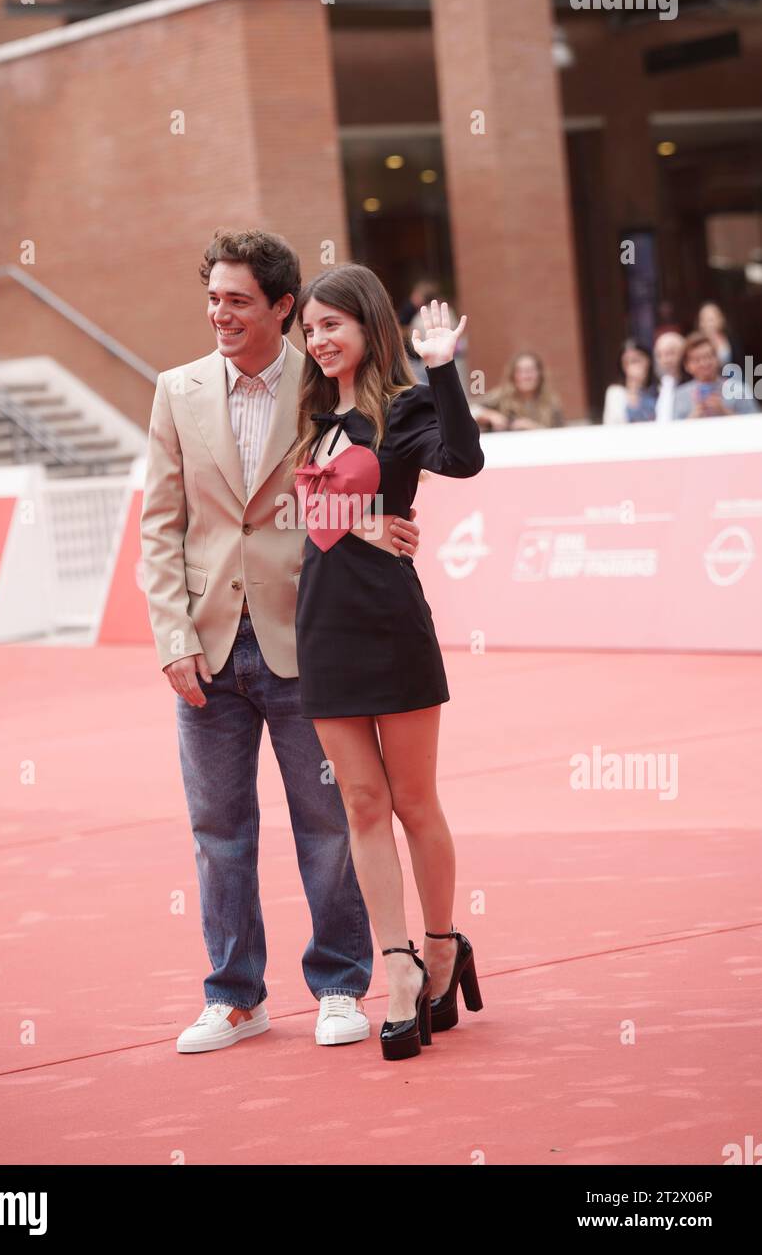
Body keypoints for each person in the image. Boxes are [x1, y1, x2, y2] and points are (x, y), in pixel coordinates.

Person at [139, 229, 422, 1055]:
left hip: (311, 639)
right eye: (213, 299)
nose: (219, 314)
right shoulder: (176, 390)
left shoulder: (324, 382)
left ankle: (339, 983)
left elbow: (366, 474)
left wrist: (370, 521)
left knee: (329, 822)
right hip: (208, 646)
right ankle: (234, 996)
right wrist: (171, 637)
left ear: (283, 307)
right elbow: (161, 526)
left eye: (237, 301)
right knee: (218, 827)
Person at [288, 267, 486, 1061]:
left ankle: (443, 946)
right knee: (361, 808)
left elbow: (465, 460)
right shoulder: (311, 418)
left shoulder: (400, 410)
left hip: (389, 625)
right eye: (309, 329)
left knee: (413, 802)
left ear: (369, 326)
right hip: (323, 629)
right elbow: (288, 509)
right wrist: (362, 519)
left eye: (331, 324)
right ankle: (396, 966)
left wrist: (442, 365)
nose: (318, 339)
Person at [673, 331, 759, 419]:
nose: (704, 363)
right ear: (687, 366)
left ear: (717, 359)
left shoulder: (739, 390)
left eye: (708, 356)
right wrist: (694, 417)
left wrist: (724, 411)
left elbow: (755, 423)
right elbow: (672, 430)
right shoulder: (679, 396)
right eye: (697, 360)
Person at [471, 350, 564, 431]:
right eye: (521, 371)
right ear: (513, 375)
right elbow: (468, 408)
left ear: (540, 374)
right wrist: (489, 415)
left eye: (530, 370)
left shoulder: (551, 403)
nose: (526, 376)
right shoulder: (501, 396)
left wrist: (533, 427)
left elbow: (561, 435)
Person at [602, 338, 657, 424]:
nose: (632, 366)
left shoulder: (659, 388)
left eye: (635, 360)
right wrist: (633, 389)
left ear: (648, 360)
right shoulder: (616, 392)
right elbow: (613, 423)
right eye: (627, 362)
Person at [398, 279, 440, 385]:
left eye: (416, 294)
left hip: (422, 361)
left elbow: (414, 343)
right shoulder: (444, 311)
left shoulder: (418, 318)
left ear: (422, 298)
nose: (413, 297)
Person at [652, 330, 686, 422]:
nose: (665, 360)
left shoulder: (692, 384)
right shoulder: (655, 387)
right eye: (659, 355)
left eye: (670, 353)